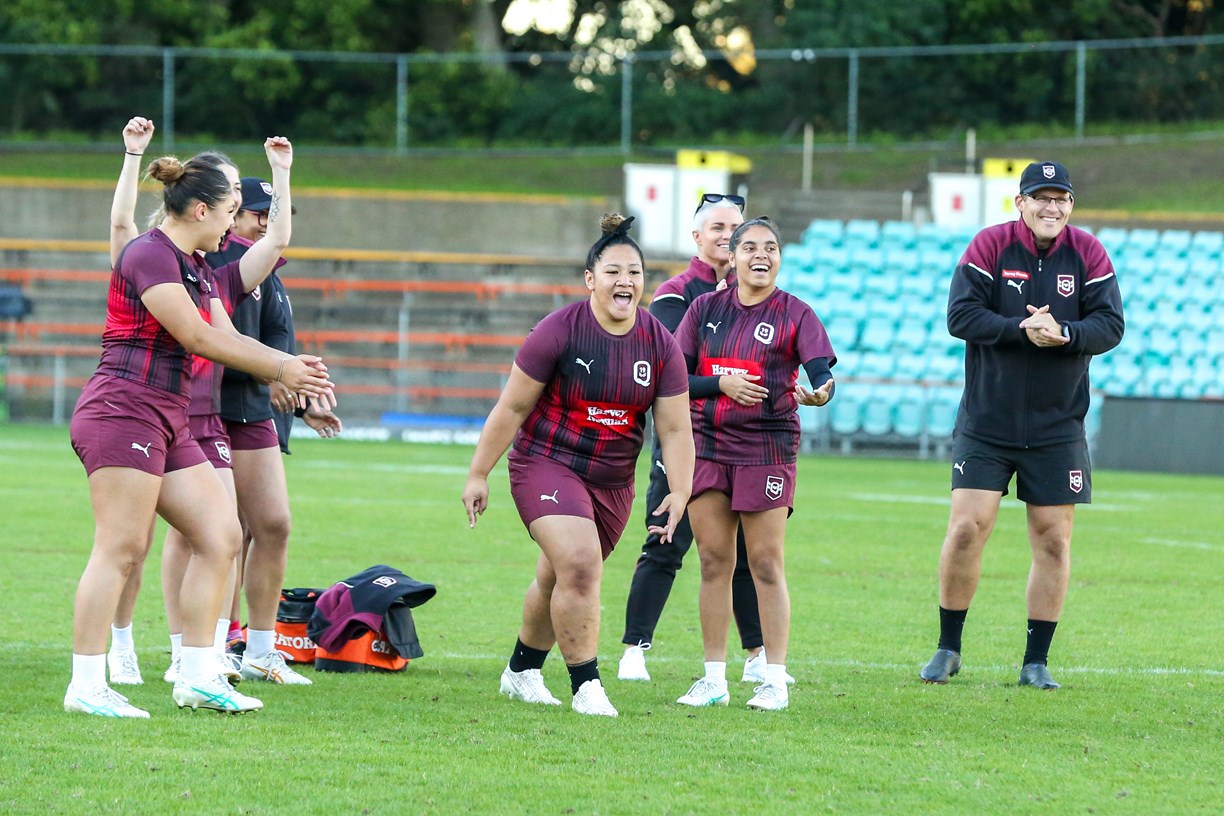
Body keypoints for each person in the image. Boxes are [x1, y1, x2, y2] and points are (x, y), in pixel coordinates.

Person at [66, 137, 333, 718]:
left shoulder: (196, 268)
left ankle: (196, 674)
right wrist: (281, 367)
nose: (235, 226)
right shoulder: (150, 255)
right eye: (231, 213)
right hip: (123, 409)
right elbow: (198, 337)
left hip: (168, 415)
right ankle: (86, 685)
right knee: (123, 548)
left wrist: (291, 372)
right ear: (199, 210)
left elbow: (230, 340)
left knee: (221, 536)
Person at [462, 214, 694, 717]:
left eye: (634, 272)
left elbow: (675, 429)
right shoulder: (558, 331)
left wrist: (680, 490)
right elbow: (512, 408)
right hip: (546, 463)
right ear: (591, 279)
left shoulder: (659, 344)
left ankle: (521, 671)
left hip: (612, 482)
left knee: (560, 576)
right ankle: (587, 684)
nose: (625, 282)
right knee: (581, 565)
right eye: (613, 271)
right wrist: (479, 472)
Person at [918, 160, 1124, 690]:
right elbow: (959, 317)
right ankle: (948, 647)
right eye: (1041, 197)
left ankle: (1036, 660)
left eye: (1061, 198)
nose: (1051, 207)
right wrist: (1021, 329)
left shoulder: (1089, 253)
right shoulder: (988, 246)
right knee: (967, 529)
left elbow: (1110, 325)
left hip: (1058, 426)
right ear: (1021, 204)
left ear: (1071, 206)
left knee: (1053, 540)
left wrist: (1066, 334)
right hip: (988, 420)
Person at [619, 194, 787, 686]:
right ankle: (634, 649)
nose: (725, 235)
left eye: (733, 228)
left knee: (743, 555)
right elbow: (670, 374)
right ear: (697, 237)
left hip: (750, 445)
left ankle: (757, 654)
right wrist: (722, 384)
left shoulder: (759, 294)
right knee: (665, 540)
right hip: (685, 440)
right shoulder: (676, 294)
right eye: (716, 227)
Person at [672, 216, 836, 712]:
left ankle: (775, 680)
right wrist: (719, 385)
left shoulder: (796, 313)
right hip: (709, 443)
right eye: (750, 247)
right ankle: (714, 678)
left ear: (779, 257)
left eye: (770, 248)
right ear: (734, 256)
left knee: (765, 562)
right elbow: (676, 374)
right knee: (712, 561)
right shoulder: (704, 309)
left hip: (767, 446)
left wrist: (822, 391)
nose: (760, 255)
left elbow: (821, 372)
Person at [217, 175, 341, 685]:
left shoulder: (270, 273)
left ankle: (261, 651)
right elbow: (210, 343)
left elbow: (276, 346)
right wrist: (271, 375)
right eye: (256, 212)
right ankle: (216, 645)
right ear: (231, 214)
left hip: (255, 412)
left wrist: (304, 401)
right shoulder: (224, 267)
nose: (265, 221)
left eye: (273, 213)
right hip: (219, 410)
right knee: (221, 535)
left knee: (271, 525)